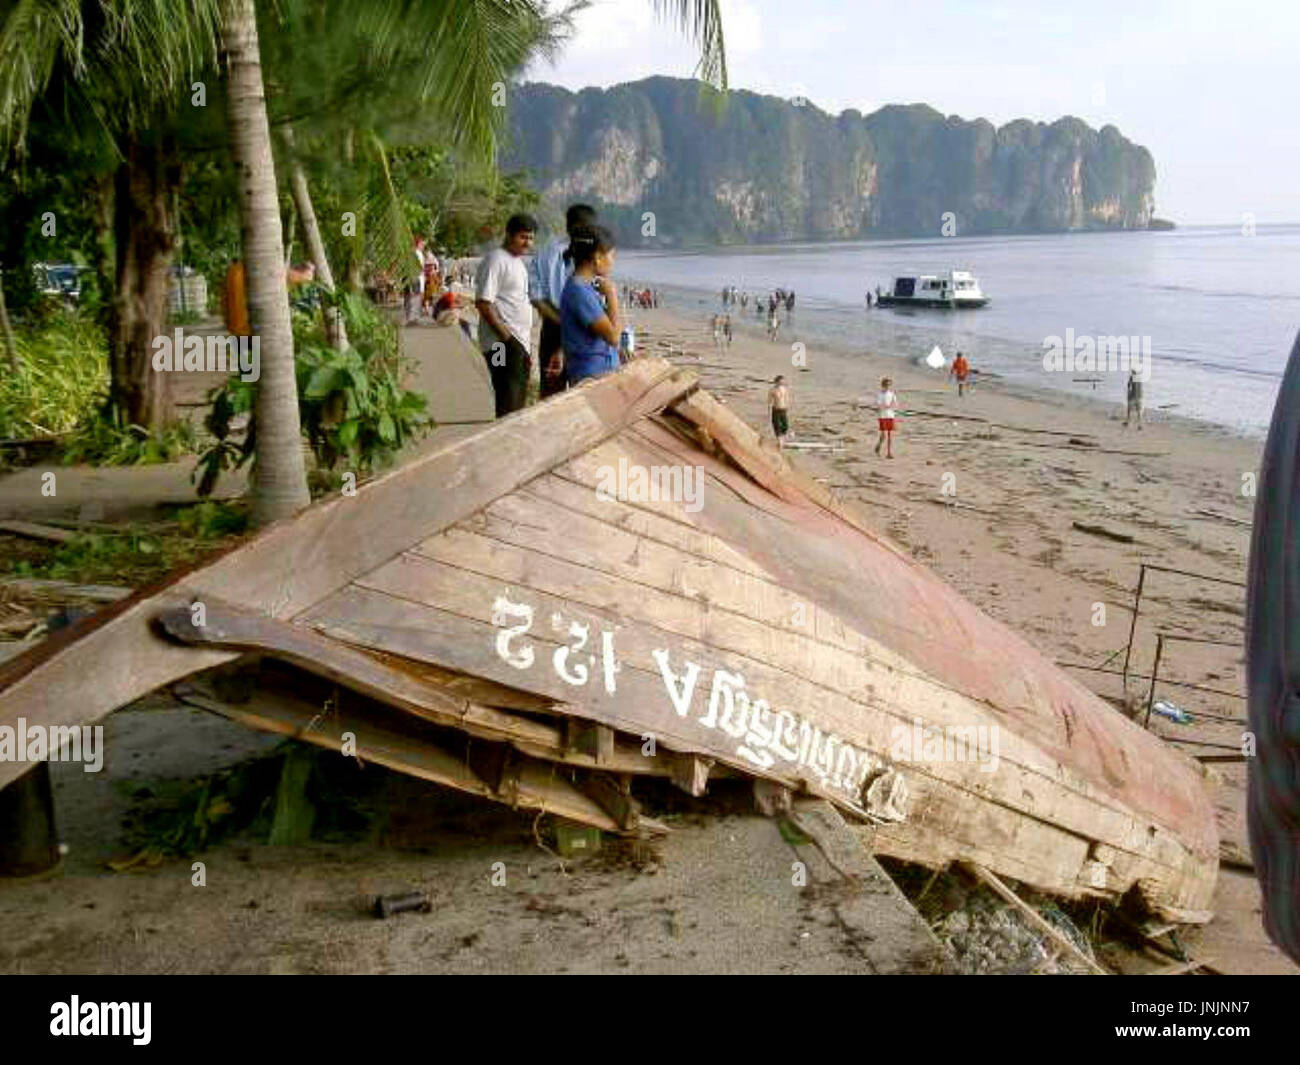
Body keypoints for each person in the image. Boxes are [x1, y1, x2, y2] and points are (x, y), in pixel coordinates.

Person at [530, 203, 598, 400]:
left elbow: (537, 298)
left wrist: (560, 320)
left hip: (552, 328)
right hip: (582, 329)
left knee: (551, 397)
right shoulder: (589, 255)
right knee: (585, 396)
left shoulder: (544, 252)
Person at [474, 213, 536, 418]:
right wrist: (508, 340)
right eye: (523, 237)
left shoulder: (517, 263)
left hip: (517, 343)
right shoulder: (496, 260)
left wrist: (522, 346)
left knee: (516, 396)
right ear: (509, 235)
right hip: (500, 344)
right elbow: (484, 303)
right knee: (507, 392)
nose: (528, 243)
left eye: (531, 238)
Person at [559, 225, 621, 386]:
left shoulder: (583, 286)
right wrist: (612, 294)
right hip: (592, 376)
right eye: (611, 255)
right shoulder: (579, 291)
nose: (613, 261)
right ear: (597, 257)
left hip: (595, 371)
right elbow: (613, 337)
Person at [875, 376, 899, 458]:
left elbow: (895, 403)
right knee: (883, 435)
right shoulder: (880, 394)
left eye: (889, 385)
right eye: (886, 385)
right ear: (883, 385)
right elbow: (878, 404)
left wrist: (891, 406)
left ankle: (889, 452)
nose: (887, 386)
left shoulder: (892, 394)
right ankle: (878, 446)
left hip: (890, 416)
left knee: (890, 435)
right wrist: (884, 406)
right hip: (882, 416)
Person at [769, 375, 790, 450]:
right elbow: (770, 401)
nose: (783, 382)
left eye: (783, 381)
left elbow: (786, 398)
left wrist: (787, 406)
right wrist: (769, 411)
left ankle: (783, 439)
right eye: (781, 381)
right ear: (777, 382)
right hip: (776, 409)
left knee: (785, 425)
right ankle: (779, 441)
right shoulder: (773, 390)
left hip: (783, 409)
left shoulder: (784, 389)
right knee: (777, 425)